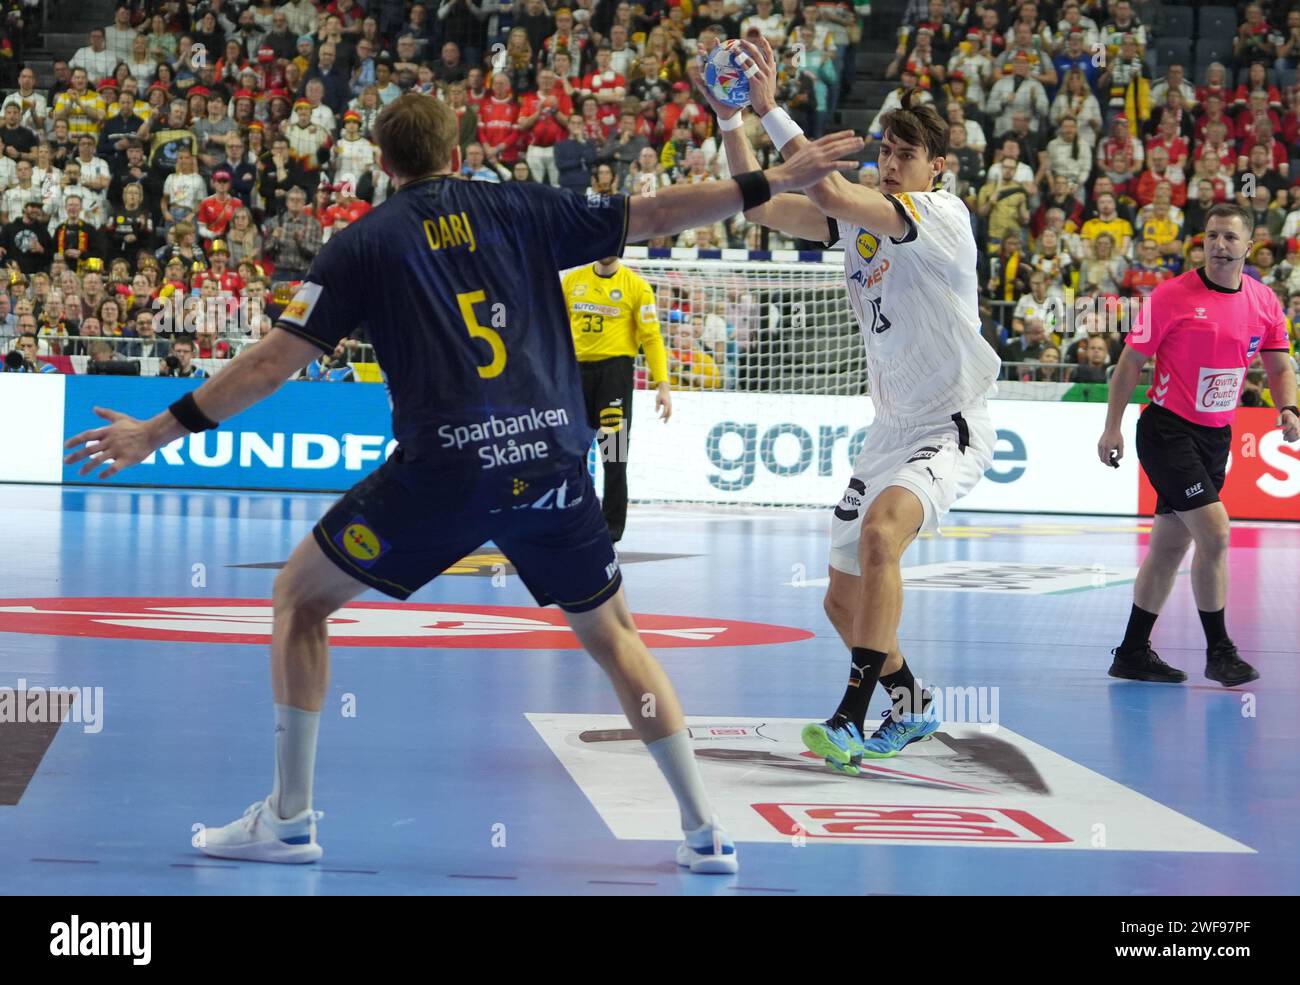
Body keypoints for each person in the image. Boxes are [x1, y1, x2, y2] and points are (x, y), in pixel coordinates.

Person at [63, 92, 861, 874]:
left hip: (445, 472)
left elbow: (274, 362)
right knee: (617, 638)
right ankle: (703, 829)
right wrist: (771, 182)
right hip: (551, 460)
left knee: (300, 598)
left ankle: (289, 816)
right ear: (458, 152)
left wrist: (155, 431)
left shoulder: (363, 244)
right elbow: (655, 215)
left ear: (380, 162)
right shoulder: (524, 206)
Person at [702, 39, 1000, 771]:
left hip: (951, 423)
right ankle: (913, 700)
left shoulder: (941, 214)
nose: (891, 162)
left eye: (906, 153)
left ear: (937, 168)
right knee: (841, 600)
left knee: (880, 536)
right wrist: (729, 121)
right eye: (886, 151)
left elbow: (831, 192)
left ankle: (848, 719)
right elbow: (766, 208)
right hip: (889, 429)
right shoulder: (861, 226)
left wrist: (770, 106)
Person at [1097, 203, 1299, 687]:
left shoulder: (1265, 302)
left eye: (1230, 237)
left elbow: (1278, 366)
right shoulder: (1172, 296)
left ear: (1251, 246)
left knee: (1168, 548)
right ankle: (1220, 652)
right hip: (1167, 432)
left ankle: (1131, 652)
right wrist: (1112, 427)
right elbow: (1129, 365)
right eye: (1211, 236)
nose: (1219, 245)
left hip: (1215, 438)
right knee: (1217, 533)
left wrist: (1289, 407)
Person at [563, 255, 671, 543]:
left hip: (614, 375)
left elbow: (651, 337)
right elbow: (555, 328)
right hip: (575, 373)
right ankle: (573, 518)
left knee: (613, 453)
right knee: (574, 453)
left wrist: (662, 384)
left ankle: (611, 528)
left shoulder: (637, 287)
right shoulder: (572, 282)